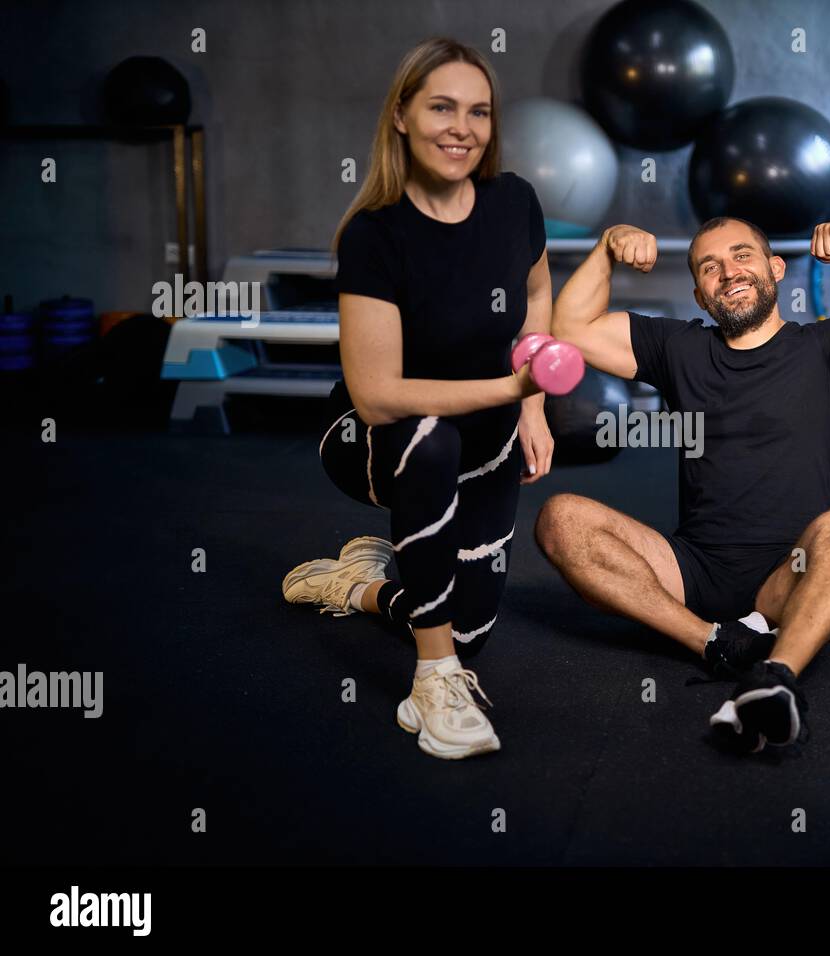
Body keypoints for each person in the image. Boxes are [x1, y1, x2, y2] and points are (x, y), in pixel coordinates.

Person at [534, 217, 830, 754]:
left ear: (775, 269)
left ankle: (775, 676)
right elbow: (571, 329)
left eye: (742, 256)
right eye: (710, 267)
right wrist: (609, 245)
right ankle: (711, 644)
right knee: (560, 517)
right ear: (700, 296)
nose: (729, 272)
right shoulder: (678, 348)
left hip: (790, 575)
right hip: (694, 573)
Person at [281, 37, 554, 760]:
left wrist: (530, 407)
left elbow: (535, 290)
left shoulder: (514, 201)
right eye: (441, 107)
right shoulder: (374, 235)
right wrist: (512, 386)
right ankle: (432, 679)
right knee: (428, 435)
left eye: (478, 111)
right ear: (401, 115)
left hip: (484, 433)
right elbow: (376, 397)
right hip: (376, 440)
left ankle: (361, 587)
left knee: (471, 629)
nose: (461, 127)